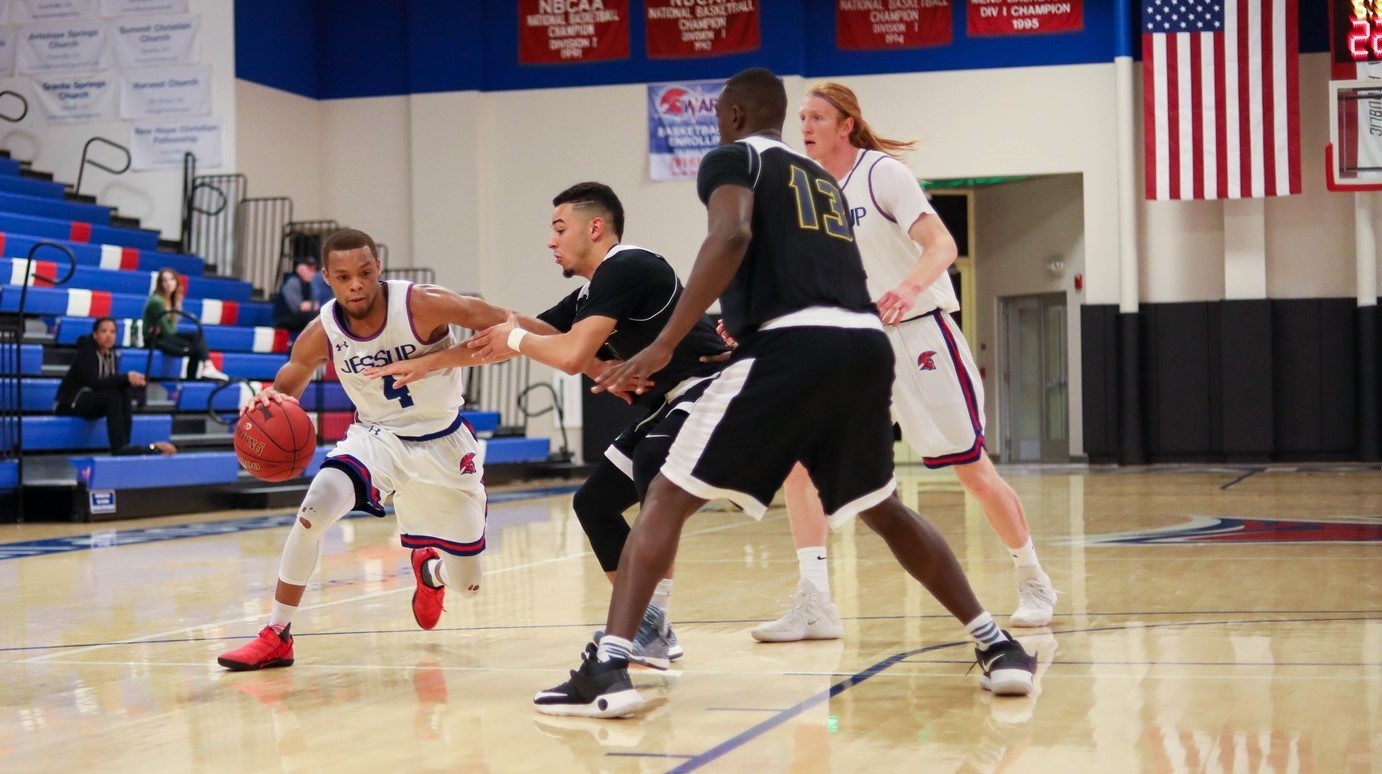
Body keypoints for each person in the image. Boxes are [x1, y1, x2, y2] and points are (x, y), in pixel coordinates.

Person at [533, 68, 1036, 718]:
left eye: (720, 114)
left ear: (737, 115)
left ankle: (610, 665)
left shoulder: (732, 158)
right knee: (883, 505)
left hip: (790, 346)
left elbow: (732, 235)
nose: (716, 125)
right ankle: (997, 645)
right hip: (860, 345)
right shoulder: (820, 178)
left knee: (663, 497)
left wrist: (664, 343)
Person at [369, 182, 730, 669]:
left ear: (595, 227)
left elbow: (569, 354)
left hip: (708, 389)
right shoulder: (591, 293)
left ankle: (651, 623)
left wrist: (524, 339)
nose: (550, 240)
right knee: (594, 503)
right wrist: (432, 361)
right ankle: (651, 626)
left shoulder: (630, 265)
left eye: (559, 228)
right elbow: (514, 334)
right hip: (665, 405)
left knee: (651, 463)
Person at [745, 82, 1058, 643]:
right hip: (853, 343)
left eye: (818, 117)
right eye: (802, 118)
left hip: (919, 335)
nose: (806, 126)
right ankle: (815, 601)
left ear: (846, 125)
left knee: (973, 471)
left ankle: (1033, 578)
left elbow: (941, 246)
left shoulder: (882, 173)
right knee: (800, 464)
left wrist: (908, 289)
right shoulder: (805, 188)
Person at [216, 228, 513, 671]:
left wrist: (583, 351)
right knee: (313, 510)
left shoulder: (421, 303)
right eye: (343, 276)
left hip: (445, 445)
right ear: (327, 279)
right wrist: (271, 401)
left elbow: (508, 326)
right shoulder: (323, 331)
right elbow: (288, 389)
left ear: (378, 269)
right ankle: (277, 634)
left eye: (365, 272)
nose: (356, 284)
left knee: (468, 586)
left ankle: (430, 572)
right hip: (377, 440)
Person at [54, 316, 177, 456]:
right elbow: (94, 382)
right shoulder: (86, 352)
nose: (108, 335)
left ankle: (125, 444)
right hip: (70, 402)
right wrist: (126, 378)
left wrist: (130, 382)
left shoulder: (111, 354)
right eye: (104, 331)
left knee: (123, 391)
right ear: (95, 335)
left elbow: (111, 382)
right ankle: (119, 447)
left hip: (91, 400)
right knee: (113, 396)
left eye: (112, 332)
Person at [143, 268, 229, 381]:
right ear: (160, 284)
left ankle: (207, 367)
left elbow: (170, 329)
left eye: (171, 279)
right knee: (195, 348)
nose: (169, 283)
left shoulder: (172, 299)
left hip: (164, 336)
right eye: (165, 280)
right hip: (153, 339)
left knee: (196, 336)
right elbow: (168, 331)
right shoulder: (157, 301)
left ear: (176, 282)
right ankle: (199, 374)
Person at [273, 256, 324, 333]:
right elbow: (299, 307)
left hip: (298, 317)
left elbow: (313, 303)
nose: (312, 272)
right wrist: (314, 305)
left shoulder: (308, 284)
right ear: (300, 268)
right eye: (309, 268)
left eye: (314, 269)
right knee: (314, 318)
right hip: (284, 318)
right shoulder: (293, 281)